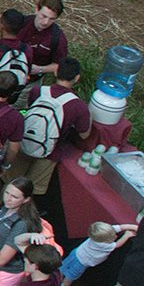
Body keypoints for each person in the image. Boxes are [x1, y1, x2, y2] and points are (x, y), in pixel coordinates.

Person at [8, 57, 89, 198]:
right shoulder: (78, 106)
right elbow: (84, 135)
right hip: (50, 152)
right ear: (77, 78)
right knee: (31, 189)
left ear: (56, 72)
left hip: (25, 141)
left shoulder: (37, 91)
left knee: (11, 182)